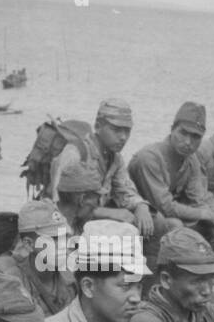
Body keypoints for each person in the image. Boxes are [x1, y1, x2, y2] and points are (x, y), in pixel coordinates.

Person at [49, 98, 155, 238]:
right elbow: (60, 205)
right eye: (116, 130)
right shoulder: (76, 153)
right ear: (98, 126)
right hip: (63, 225)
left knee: (153, 222)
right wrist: (111, 213)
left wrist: (141, 206)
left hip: (88, 222)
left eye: (127, 131)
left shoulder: (115, 158)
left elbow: (126, 191)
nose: (123, 137)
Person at [127, 102, 214, 241]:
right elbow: (165, 207)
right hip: (140, 215)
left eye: (195, 137)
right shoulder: (149, 158)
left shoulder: (191, 159)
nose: (188, 142)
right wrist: (208, 215)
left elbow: (198, 198)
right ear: (172, 130)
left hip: (163, 215)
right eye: (183, 133)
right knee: (176, 226)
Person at [0, 199, 77, 317]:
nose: (63, 245)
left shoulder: (72, 277)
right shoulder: (10, 281)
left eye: (65, 237)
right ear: (29, 244)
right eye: (53, 238)